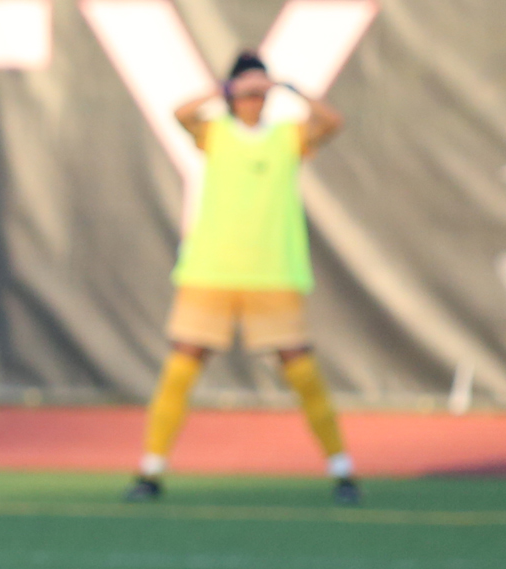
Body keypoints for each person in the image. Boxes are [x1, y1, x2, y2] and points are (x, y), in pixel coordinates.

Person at [126, 50, 358, 505]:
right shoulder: (217, 133)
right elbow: (181, 114)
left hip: (273, 272)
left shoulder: (286, 137)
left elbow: (332, 122)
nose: (254, 99)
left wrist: (289, 89)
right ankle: (150, 471)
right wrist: (225, 89)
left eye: (260, 91)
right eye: (247, 91)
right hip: (211, 270)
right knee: (181, 366)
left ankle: (343, 470)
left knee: (302, 370)